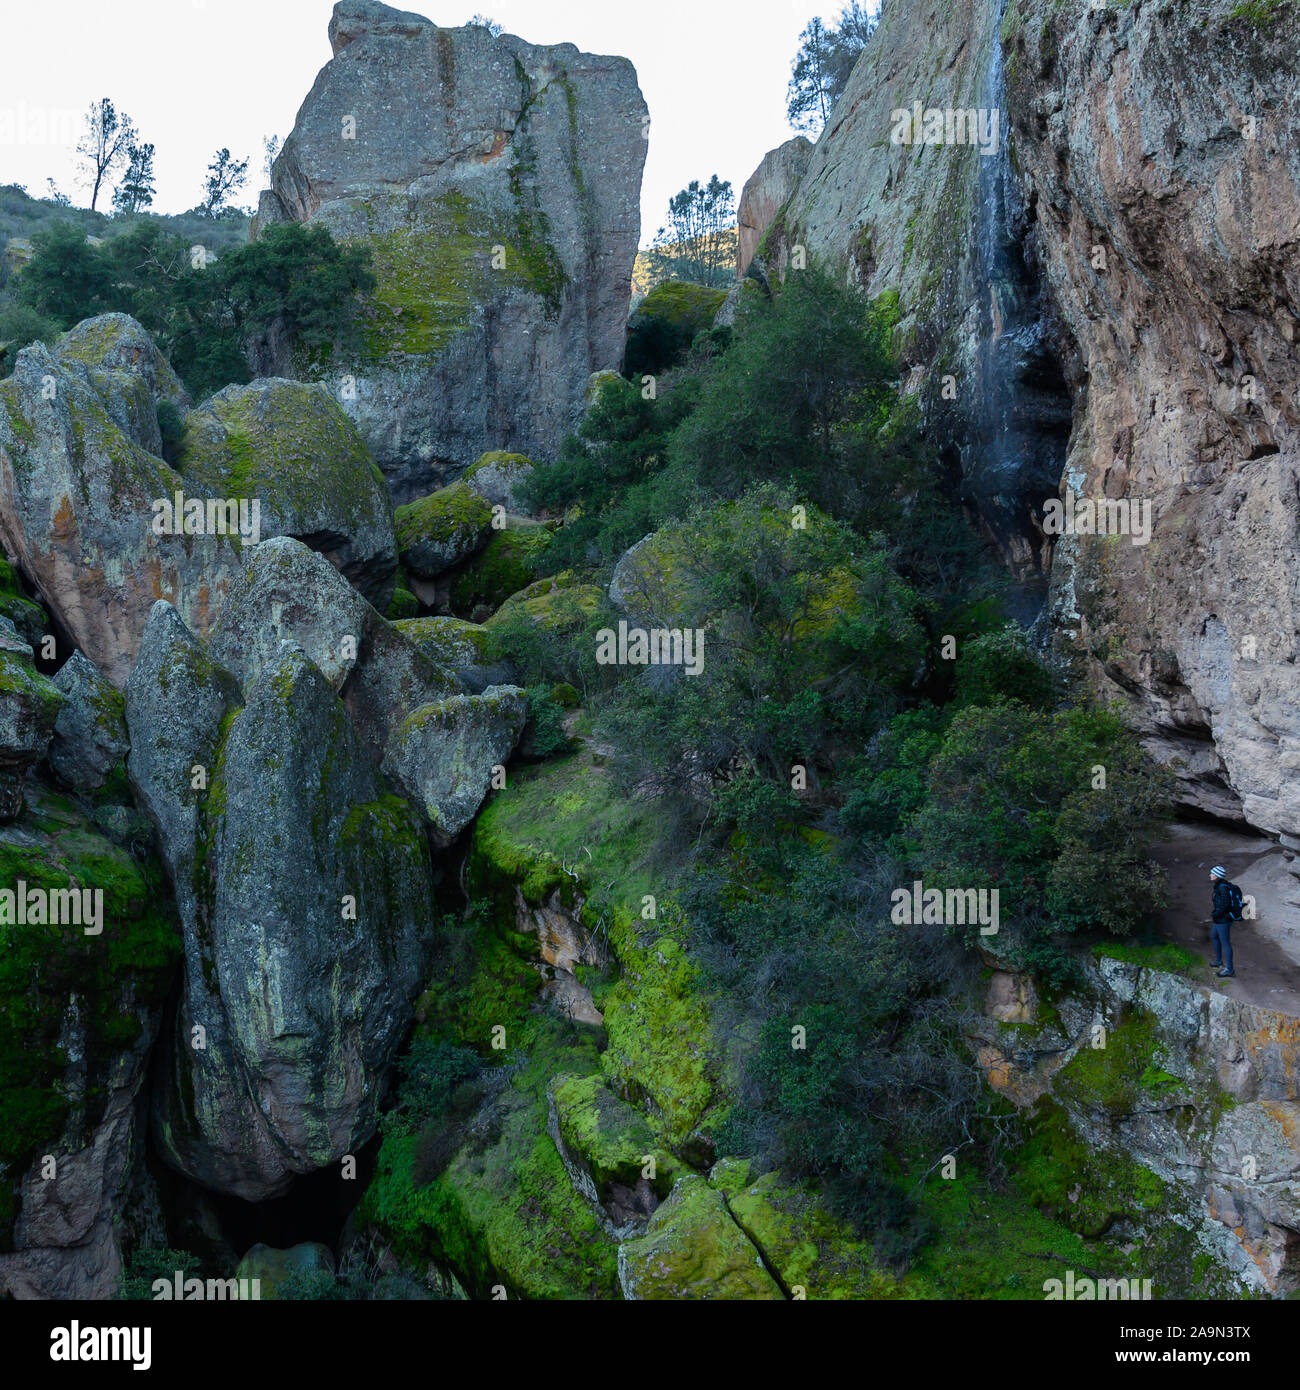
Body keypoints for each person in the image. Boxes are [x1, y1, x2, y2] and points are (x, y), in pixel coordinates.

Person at [1209, 865, 1241, 979]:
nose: (1210, 875)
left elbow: (1225, 905)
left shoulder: (1222, 888)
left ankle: (1229, 969)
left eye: (1212, 873)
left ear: (1217, 876)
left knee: (1225, 943)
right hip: (1220, 919)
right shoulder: (1221, 885)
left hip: (1223, 920)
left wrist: (1215, 914)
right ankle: (1218, 961)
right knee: (1213, 936)